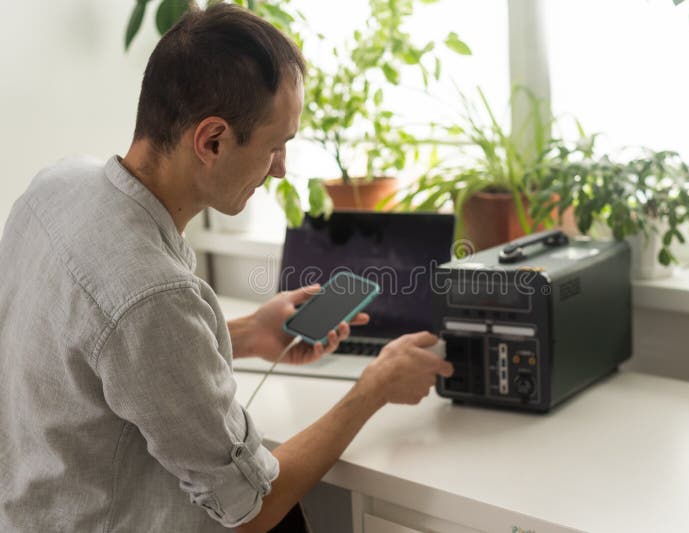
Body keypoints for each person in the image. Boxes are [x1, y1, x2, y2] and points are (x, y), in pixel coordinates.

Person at [0, 4, 453, 532]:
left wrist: (250, 334)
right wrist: (373, 388)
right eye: (275, 146)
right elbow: (251, 511)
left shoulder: (56, 186)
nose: (281, 168)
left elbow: (97, 356)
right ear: (212, 141)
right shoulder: (154, 294)